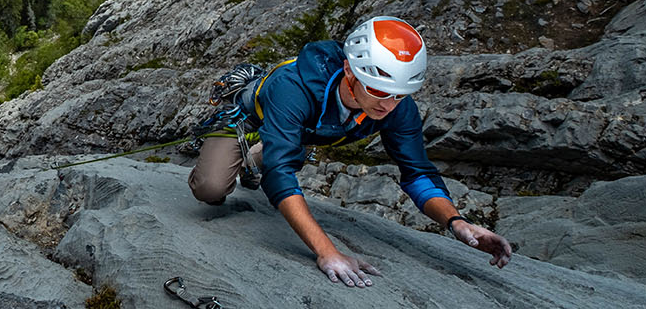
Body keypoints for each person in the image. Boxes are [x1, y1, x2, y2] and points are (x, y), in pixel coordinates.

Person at [187, 16, 513, 288]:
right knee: (211, 188)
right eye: (378, 90)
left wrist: (457, 223)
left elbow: (417, 172)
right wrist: (327, 252)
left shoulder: (396, 107)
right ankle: (253, 140)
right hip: (247, 118)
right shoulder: (294, 87)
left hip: (300, 130)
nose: (388, 104)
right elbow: (279, 173)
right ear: (349, 71)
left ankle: (262, 154)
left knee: (282, 153)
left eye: (400, 94)